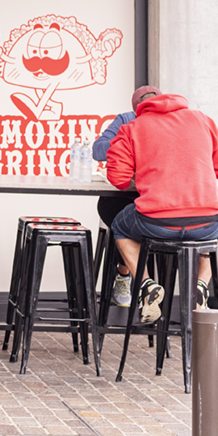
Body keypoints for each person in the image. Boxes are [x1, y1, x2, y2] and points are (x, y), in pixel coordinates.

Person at [104, 87, 218, 323]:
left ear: (138, 109)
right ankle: (201, 286)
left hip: (157, 222)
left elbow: (118, 180)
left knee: (119, 226)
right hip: (206, 222)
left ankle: (147, 286)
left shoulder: (131, 128)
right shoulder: (203, 120)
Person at [92, 95, 142, 307]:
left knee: (135, 220)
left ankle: (142, 282)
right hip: (128, 196)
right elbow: (98, 150)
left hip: (159, 199)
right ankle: (128, 277)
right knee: (121, 215)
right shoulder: (126, 120)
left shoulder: (173, 126)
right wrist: (127, 141)